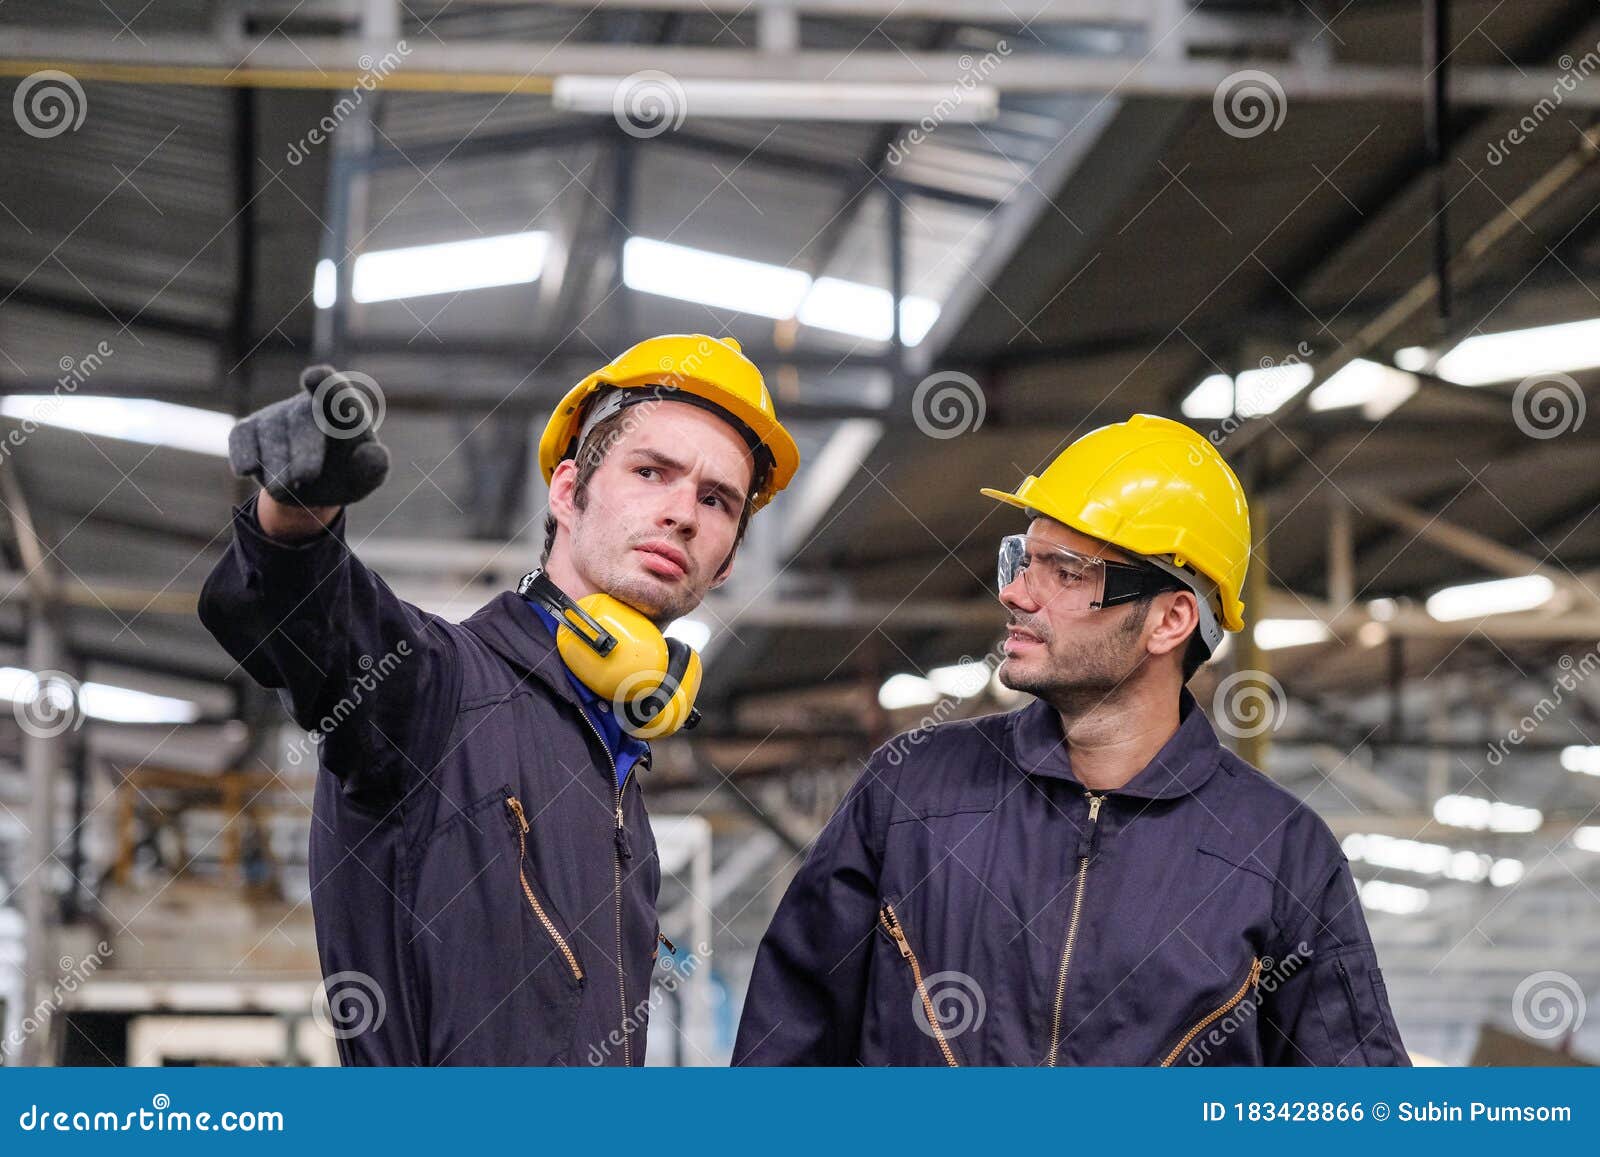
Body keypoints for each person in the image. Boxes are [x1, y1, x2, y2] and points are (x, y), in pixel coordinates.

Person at [733, 414, 1408, 1066]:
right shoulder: (912, 792)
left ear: (1169, 620)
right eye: (1022, 561)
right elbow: (784, 1051)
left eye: (1066, 571)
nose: (1017, 594)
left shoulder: (1280, 854)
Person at [199, 334, 798, 1065]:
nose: (683, 513)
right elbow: (311, 618)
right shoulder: (439, 689)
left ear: (729, 557)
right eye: (652, 471)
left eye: (715, 499)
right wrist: (295, 517)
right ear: (568, 490)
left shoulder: (620, 789)